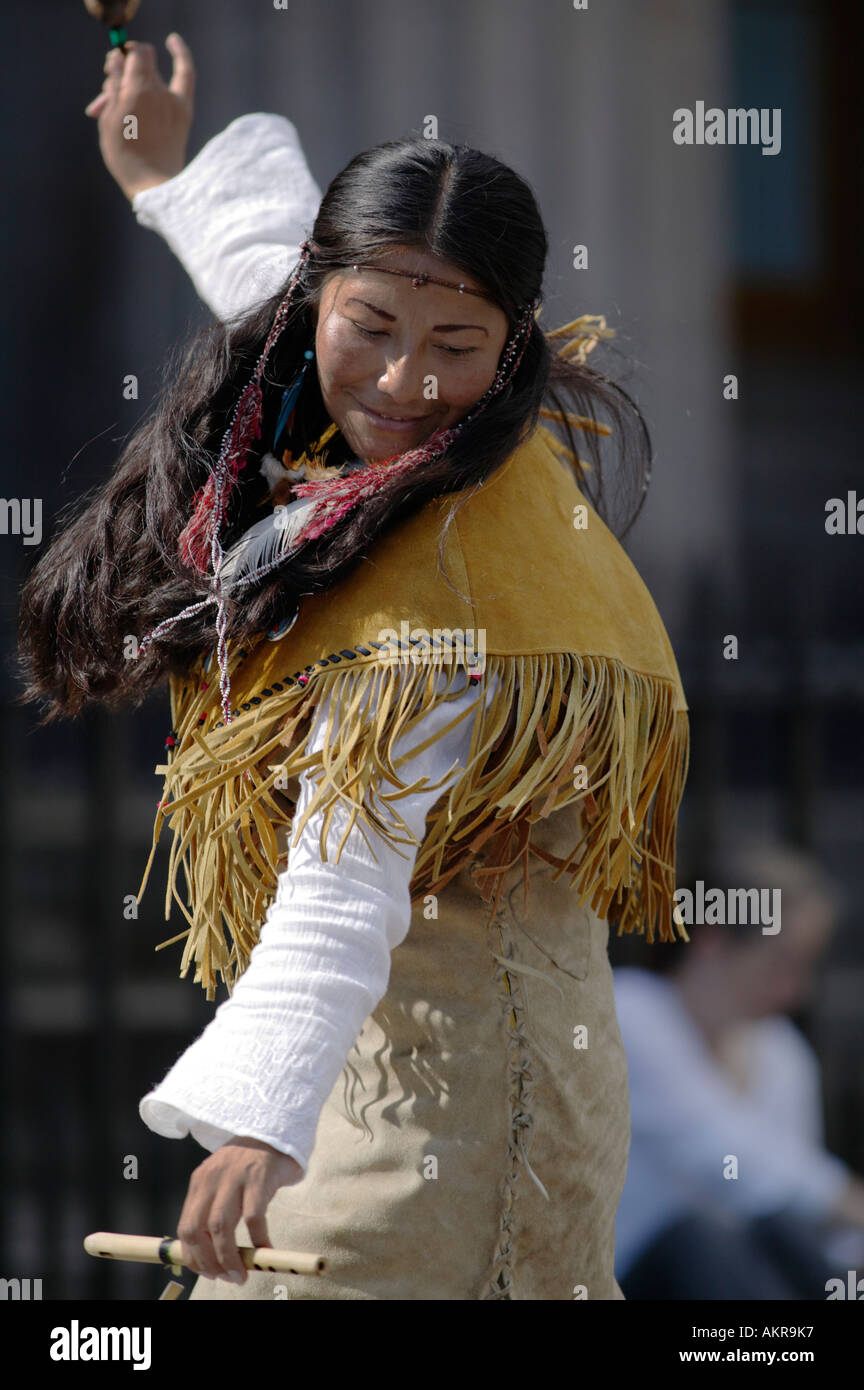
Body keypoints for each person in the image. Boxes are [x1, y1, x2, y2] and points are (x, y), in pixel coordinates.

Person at [16, 35, 689, 1300]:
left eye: (457, 343)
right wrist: (162, 176)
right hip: (416, 1079)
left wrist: (255, 1119)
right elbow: (272, 270)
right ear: (321, 299)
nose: (405, 380)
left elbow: (346, 875)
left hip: (449, 1124)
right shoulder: (367, 426)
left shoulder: (449, 571)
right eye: (370, 325)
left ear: (517, 342)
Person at [614, 841, 864, 1299]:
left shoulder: (784, 1052)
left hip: (740, 1275)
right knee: (701, 1238)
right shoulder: (629, 1013)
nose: (798, 990)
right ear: (713, 941)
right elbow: (721, 1153)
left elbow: (789, 1206)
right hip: (635, 1275)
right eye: (784, 962)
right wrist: (846, 1202)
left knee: (789, 1236)